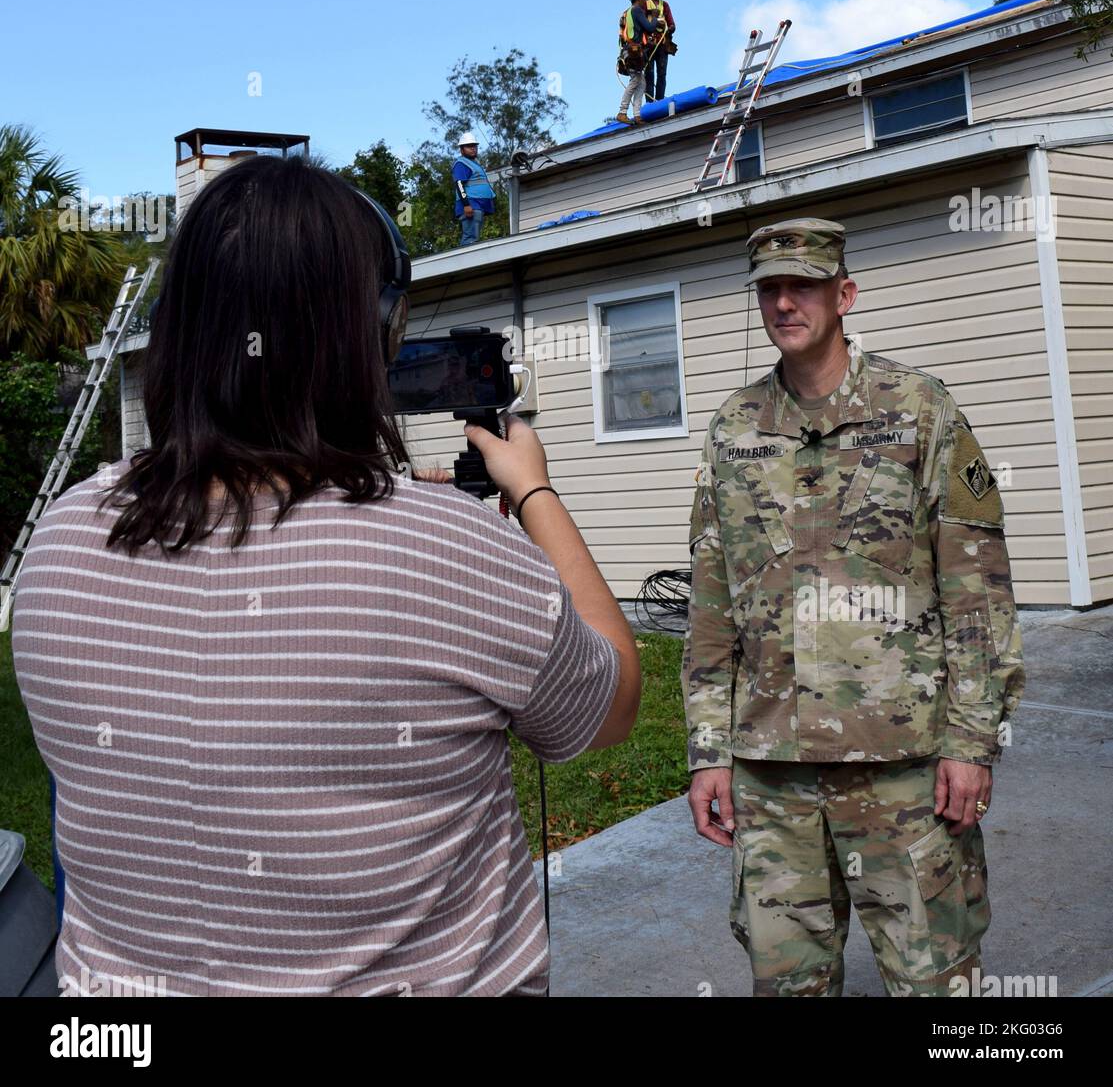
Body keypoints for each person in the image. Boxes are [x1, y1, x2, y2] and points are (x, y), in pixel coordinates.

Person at [13, 152, 640, 998]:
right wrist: (531, 490)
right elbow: (608, 706)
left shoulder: (59, 540)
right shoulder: (450, 550)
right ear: (373, 336)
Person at [683, 217, 1024, 997]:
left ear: (843, 294)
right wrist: (708, 752)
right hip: (770, 773)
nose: (782, 302)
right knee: (786, 982)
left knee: (934, 978)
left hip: (902, 764)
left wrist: (971, 741)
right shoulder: (734, 428)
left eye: (800, 285)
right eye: (768, 288)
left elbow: (977, 588)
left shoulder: (918, 409)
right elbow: (710, 603)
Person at [616, 0, 665, 125]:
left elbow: (636, 32)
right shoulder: (637, 10)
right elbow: (649, 28)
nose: (645, 2)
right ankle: (622, 111)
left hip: (629, 50)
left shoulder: (628, 12)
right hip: (633, 51)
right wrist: (655, 17)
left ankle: (637, 115)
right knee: (636, 81)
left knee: (641, 82)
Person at [452, 131, 495, 246]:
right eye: (469, 146)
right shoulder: (461, 163)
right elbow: (459, 184)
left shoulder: (473, 164)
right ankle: (464, 261)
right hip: (471, 205)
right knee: (470, 239)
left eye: (474, 146)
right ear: (462, 149)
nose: (473, 148)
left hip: (477, 205)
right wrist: (466, 205)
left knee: (473, 238)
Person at [643, 0, 676, 103]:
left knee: (662, 74)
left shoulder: (665, 5)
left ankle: (660, 101)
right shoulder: (644, 4)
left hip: (662, 44)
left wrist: (670, 30)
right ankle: (650, 103)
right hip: (649, 45)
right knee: (649, 74)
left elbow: (672, 23)